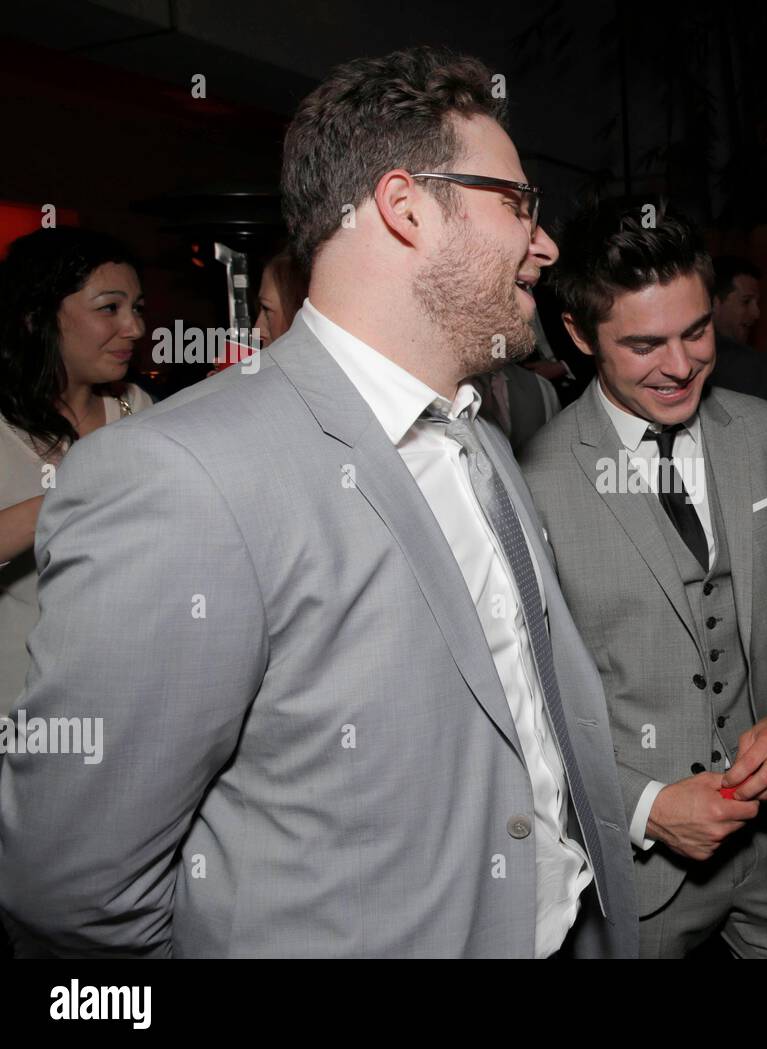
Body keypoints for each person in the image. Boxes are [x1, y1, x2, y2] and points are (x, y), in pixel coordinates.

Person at [0, 45, 637, 959]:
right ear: (405, 206)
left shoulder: (480, 436)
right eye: (518, 204)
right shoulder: (181, 475)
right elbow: (69, 886)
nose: (546, 243)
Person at [520, 202, 767, 957]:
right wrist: (644, 807)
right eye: (644, 344)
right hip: (631, 872)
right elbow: (528, 707)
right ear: (580, 335)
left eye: (697, 331)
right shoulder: (532, 480)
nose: (680, 366)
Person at [0, 227, 152, 714]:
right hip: (19, 705)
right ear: (35, 318)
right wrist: (81, 490)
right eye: (110, 308)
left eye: (137, 308)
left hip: (120, 694)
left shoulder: (135, 406)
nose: (135, 328)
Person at [705, 255, 767, 406]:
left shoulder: (683, 362)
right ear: (714, 303)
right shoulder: (758, 369)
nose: (756, 313)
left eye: (757, 303)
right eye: (746, 301)